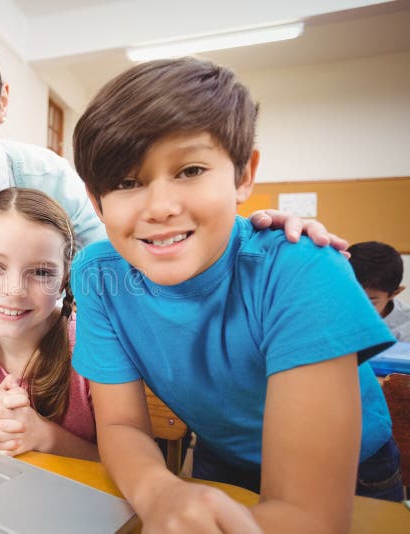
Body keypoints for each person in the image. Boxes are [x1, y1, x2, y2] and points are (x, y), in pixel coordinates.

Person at [0, 12, 344, 434]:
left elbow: (126, 258)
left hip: (56, 358)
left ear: (2, 102)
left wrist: (247, 232)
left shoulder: (51, 178)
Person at [70, 57, 402, 532]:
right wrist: (158, 489)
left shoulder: (303, 268)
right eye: (127, 182)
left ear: (244, 173)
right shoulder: (97, 273)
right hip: (219, 456)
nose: (161, 207)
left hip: (355, 475)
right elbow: (120, 425)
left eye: (190, 170)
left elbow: (310, 516)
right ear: (96, 198)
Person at [0, 187, 97, 460]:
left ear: (64, 278)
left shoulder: (93, 350)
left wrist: (43, 436)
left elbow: (126, 465)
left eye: (40, 272)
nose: (15, 289)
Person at [349, 241, 410, 341]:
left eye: (370, 303)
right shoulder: (326, 313)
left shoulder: (406, 327)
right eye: (348, 298)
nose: (356, 309)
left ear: (394, 294)